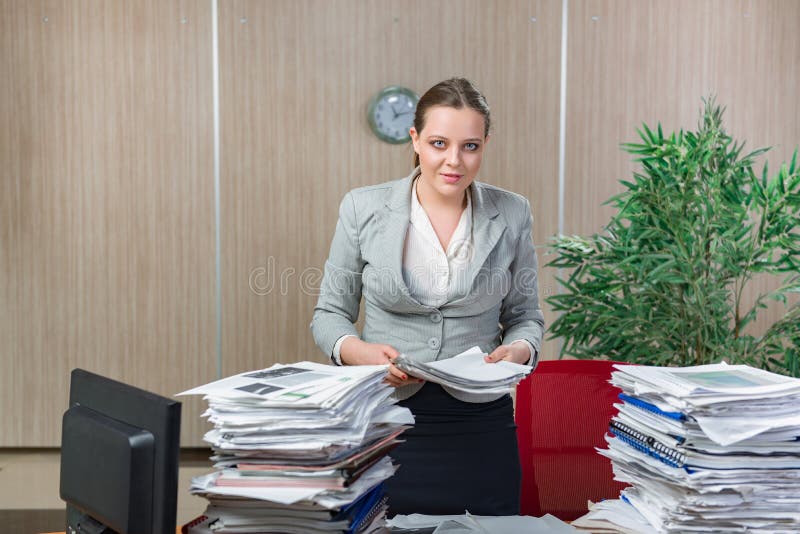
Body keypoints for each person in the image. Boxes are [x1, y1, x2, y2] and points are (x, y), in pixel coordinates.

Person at [310, 77, 544, 516]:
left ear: (485, 144)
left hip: (480, 426)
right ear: (415, 139)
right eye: (439, 143)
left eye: (470, 146)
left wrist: (520, 348)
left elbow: (526, 315)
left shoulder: (512, 212)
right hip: (383, 419)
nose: (453, 161)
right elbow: (329, 315)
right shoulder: (362, 208)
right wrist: (359, 353)